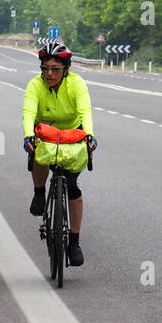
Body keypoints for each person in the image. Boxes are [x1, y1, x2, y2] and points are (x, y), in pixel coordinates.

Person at [23, 41, 96, 266]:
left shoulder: (76, 84)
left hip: (72, 136)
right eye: (45, 68)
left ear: (66, 68)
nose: (49, 74)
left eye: (55, 69)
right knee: (39, 151)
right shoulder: (35, 85)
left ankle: (73, 242)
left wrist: (90, 135)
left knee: (73, 188)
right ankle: (38, 192)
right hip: (45, 133)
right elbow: (28, 112)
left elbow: (85, 111)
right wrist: (28, 136)